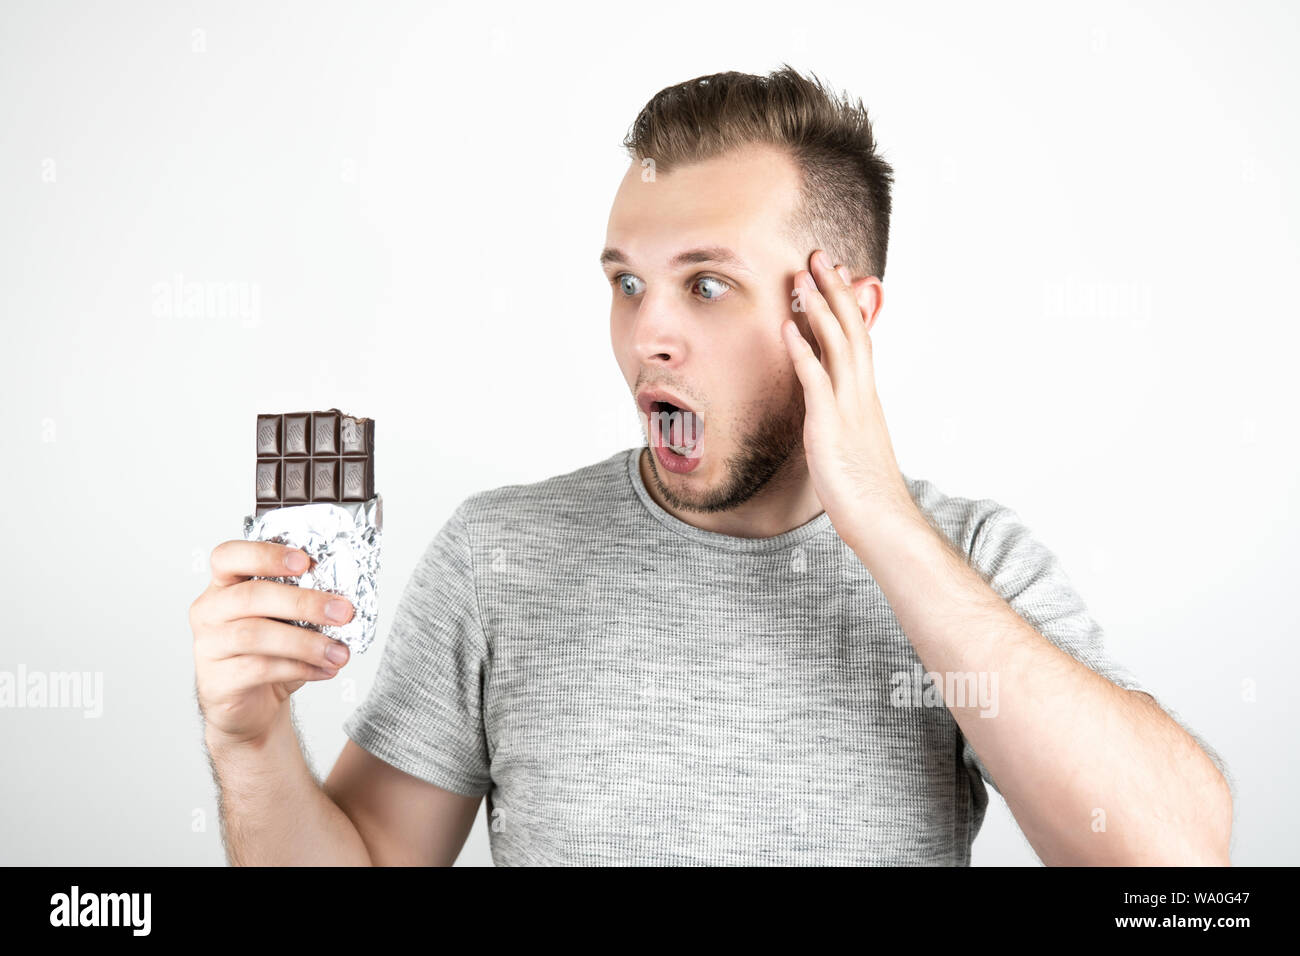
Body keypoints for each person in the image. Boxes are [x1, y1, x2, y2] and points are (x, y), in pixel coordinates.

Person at [190, 64, 1233, 866]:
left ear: (842, 317)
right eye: (626, 282)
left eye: (704, 286)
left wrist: (877, 515)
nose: (646, 334)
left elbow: (1172, 859)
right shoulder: (499, 556)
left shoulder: (968, 557)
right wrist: (249, 743)